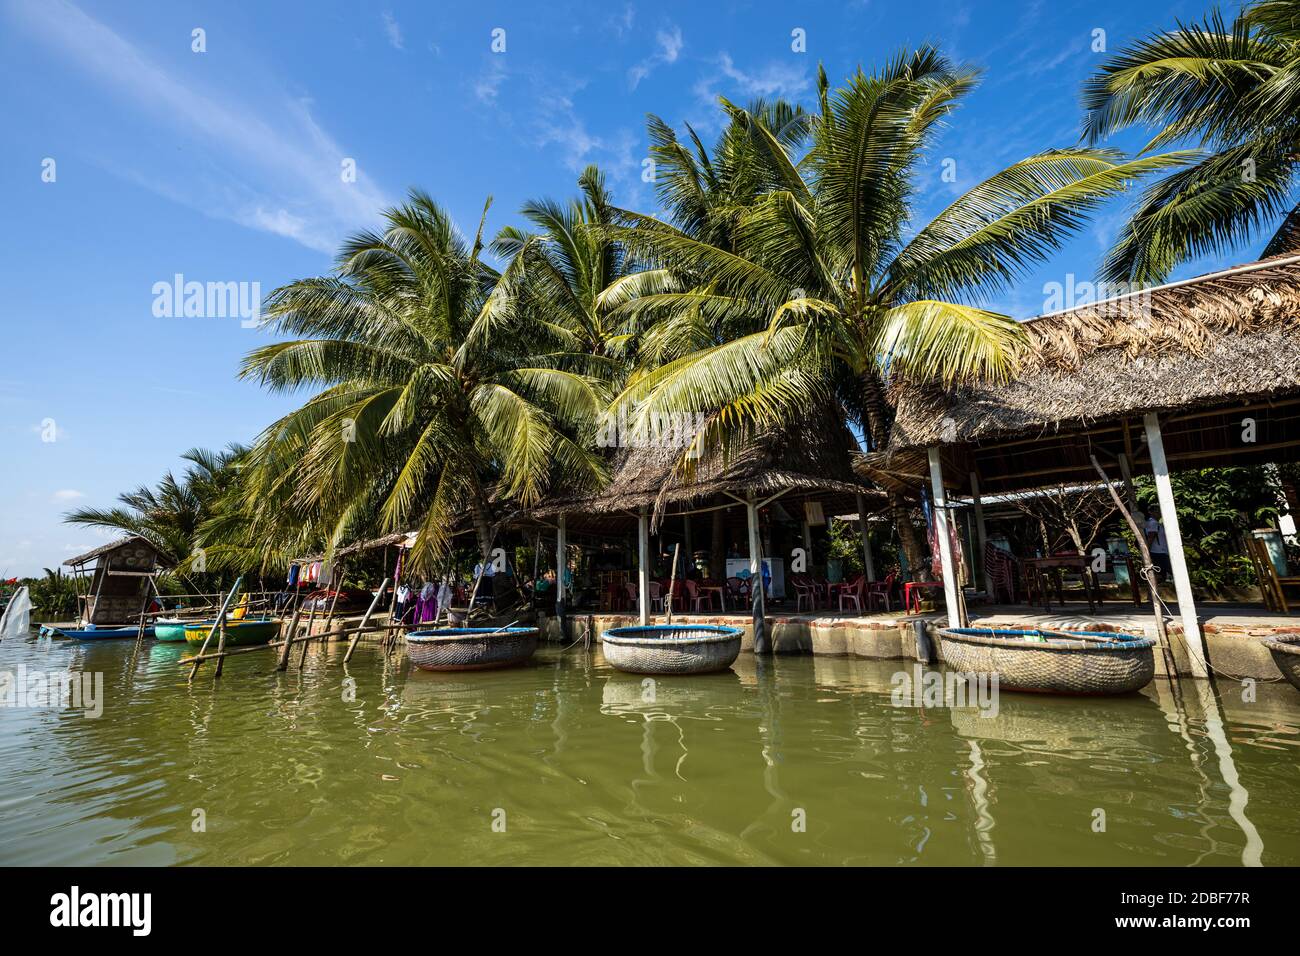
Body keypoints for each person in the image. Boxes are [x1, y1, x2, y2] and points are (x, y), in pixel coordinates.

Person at [1144, 509, 1172, 579]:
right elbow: (1151, 537)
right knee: (1167, 570)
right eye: (1156, 511)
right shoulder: (1153, 523)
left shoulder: (1156, 522)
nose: (1159, 513)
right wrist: (1146, 551)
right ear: (1151, 512)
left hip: (1161, 551)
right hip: (1158, 552)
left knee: (1163, 572)